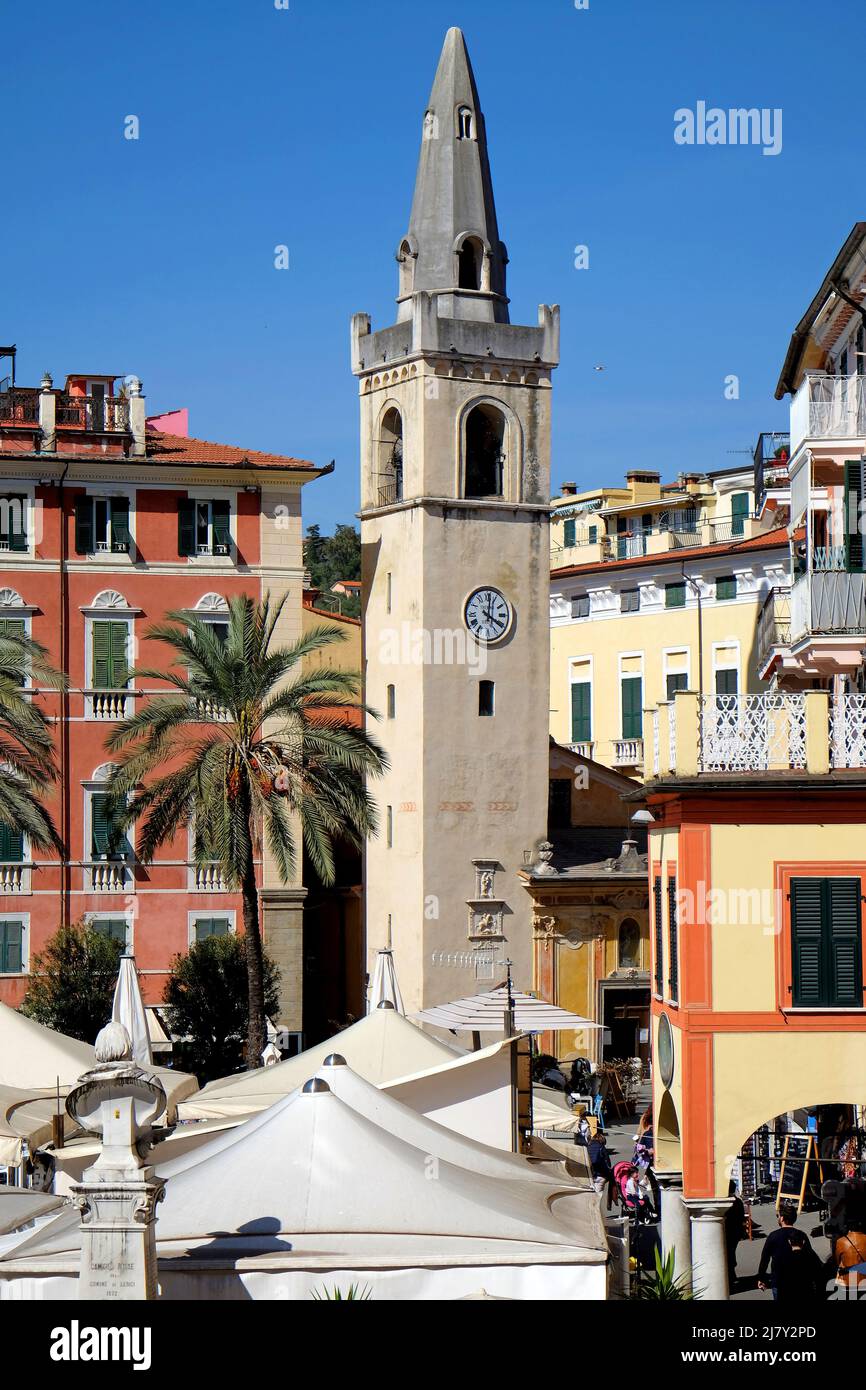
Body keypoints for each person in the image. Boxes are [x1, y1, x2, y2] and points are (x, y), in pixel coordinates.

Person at [757, 1205, 825, 1301]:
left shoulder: (773, 1236)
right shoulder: (801, 1235)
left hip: (779, 1281)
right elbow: (810, 1257)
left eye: (778, 1216)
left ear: (782, 1218)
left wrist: (761, 1277)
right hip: (800, 1281)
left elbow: (765, 1258)